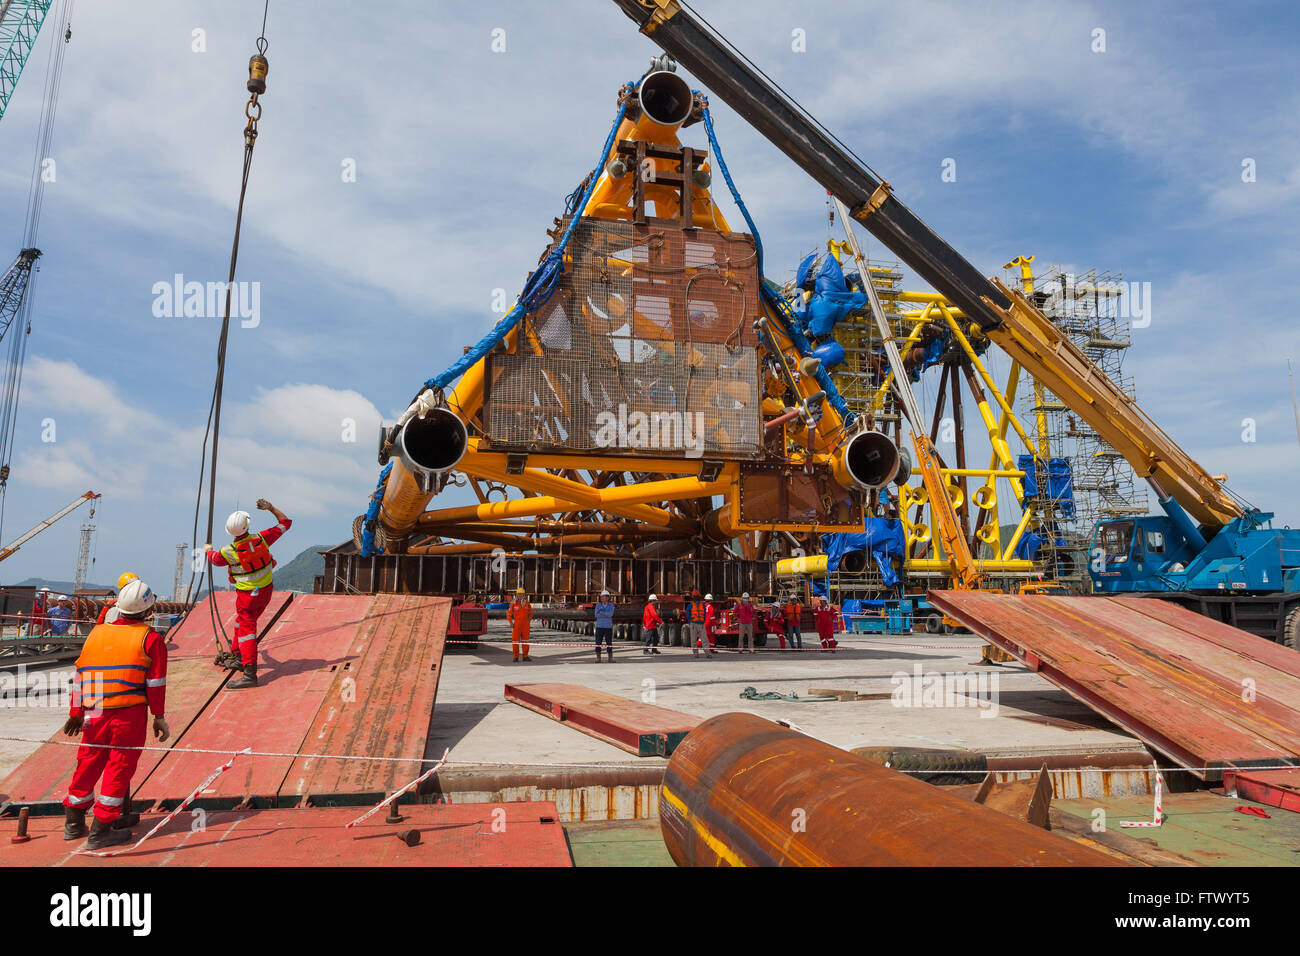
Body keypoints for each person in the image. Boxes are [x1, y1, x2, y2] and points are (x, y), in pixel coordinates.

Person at [61, 579, 170, 851]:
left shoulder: (96, 633)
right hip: (128, 713)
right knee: (119, 766)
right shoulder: (151, 639)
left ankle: (74, 824)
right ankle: (100, 830)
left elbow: (81, 676)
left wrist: (76, 712)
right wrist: (159, 716)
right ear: (148, 611)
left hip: (94, 711)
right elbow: (155, 683)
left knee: (88, 762)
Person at [204, 499, 292, 689]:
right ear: (247, 526)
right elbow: (286, 523)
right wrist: (271, 508)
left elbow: (214, 559)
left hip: (246, 598)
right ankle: (237, 656)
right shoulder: (262, 538)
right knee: (241, 623)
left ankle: (250, 674)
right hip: (265, 592)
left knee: (247, 632)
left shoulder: (229, 551)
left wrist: (208, 551)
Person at [507, 587, 532, 662]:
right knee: (515, 641)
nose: (520, 596)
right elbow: (508, 614)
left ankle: (525, 656)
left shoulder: (527, 603)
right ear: (516, 595)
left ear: (524, 595)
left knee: (525, 641)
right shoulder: (513, 603)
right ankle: (515, 657)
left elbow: (531, 612)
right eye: (519, 594)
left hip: (525, 625)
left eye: (522, 594)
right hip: (516, 625)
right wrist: (510, 622)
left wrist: (529, 619)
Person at [593, 590, 615, 662]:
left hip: (607, 626)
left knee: (609, 642)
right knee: (598, 642)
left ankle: (610, 657)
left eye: (603, 597)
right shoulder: (598, 605)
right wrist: (606, 614)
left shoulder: (611, 605)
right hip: (599, 626)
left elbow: (611, 614)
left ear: (607, 598)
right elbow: (596, 615)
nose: (602, 598)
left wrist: (601, 612)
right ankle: (598, 658)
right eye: (601, 597)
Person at [688, 589, 707, 657]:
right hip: (695, 624)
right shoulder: (690, 605)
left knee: (704, 639)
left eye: (696, 595)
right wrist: (691, 622)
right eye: (695, 596)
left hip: (700, 624)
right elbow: (688, 615)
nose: (696, 597)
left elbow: (704, 614)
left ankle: (707, 653)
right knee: (694, 640)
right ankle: (696, 653)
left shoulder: (702, 605)